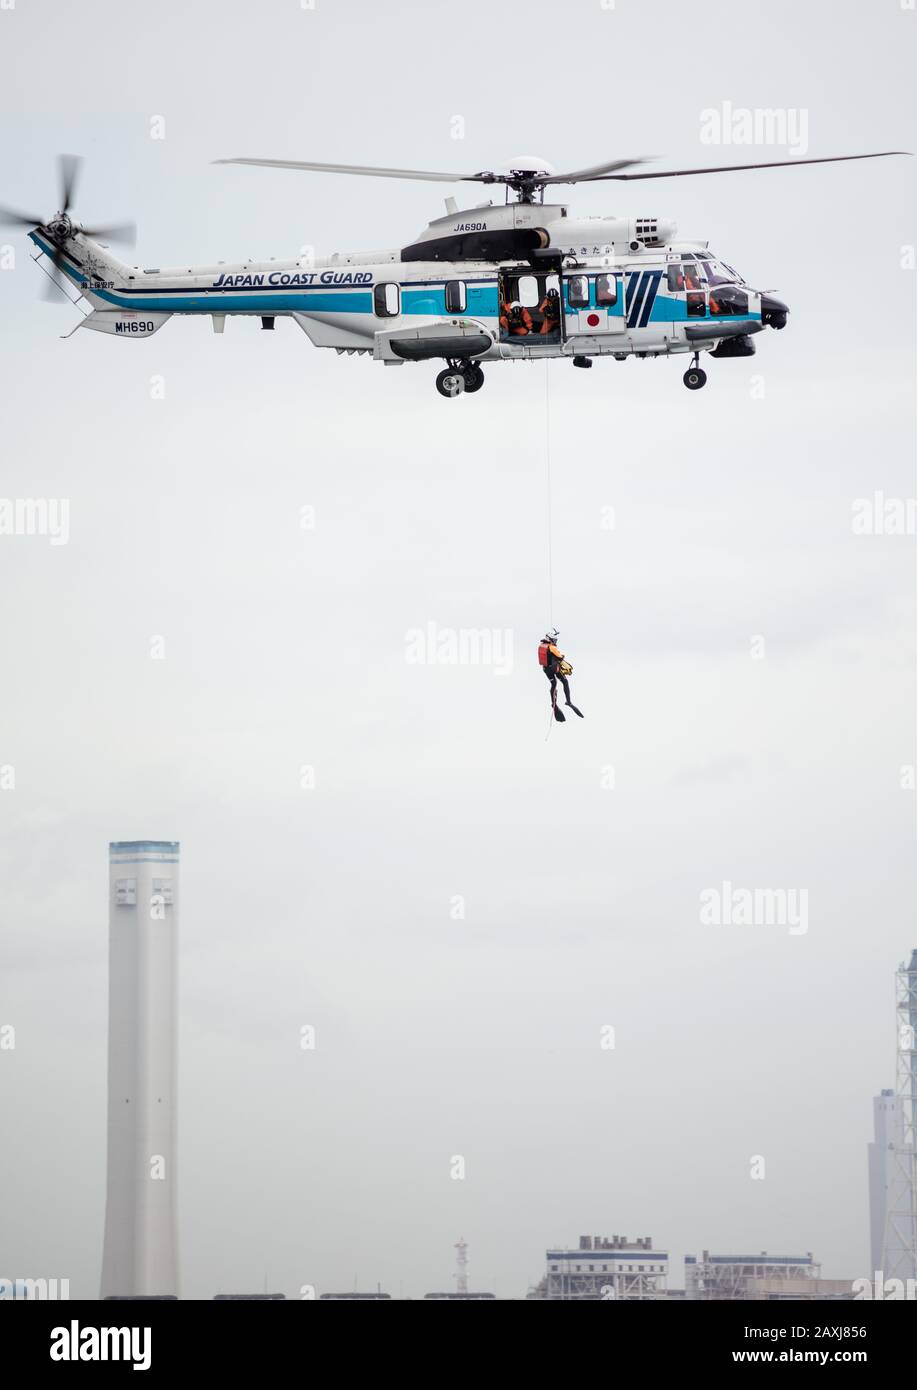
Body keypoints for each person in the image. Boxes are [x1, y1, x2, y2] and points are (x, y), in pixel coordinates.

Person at [537, 629, 584, 721]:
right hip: (555, 669)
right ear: (550, 640)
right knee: (565, 682)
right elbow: (560, 657)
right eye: (554, 640)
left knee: (553, 684)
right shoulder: (552, 647)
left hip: (546, 669)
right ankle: (568, 701)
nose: (555, 642)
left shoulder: (543, 646)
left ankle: (553, 702)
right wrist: (562, 657)